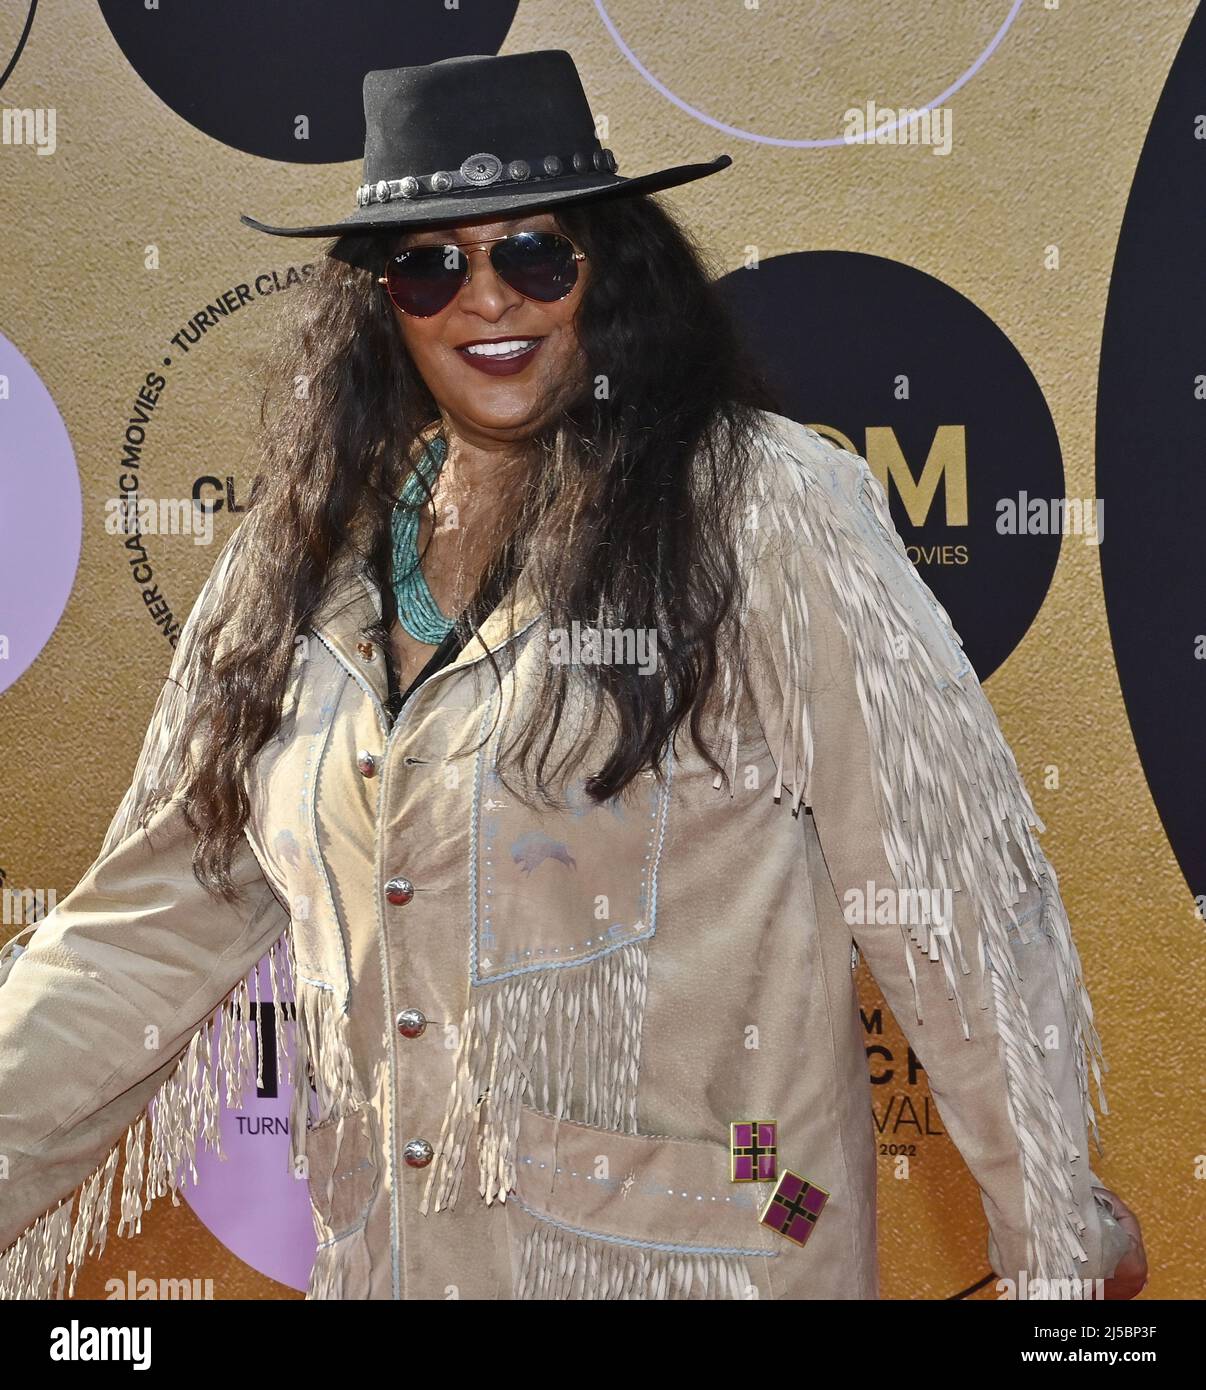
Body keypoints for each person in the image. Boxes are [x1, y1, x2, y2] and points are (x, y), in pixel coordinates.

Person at [0, 49, 1145, 1301]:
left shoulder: (761, 512)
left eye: (535, 253)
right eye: (431, 266)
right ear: (380, 302)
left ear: (614, 269)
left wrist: (1054, 1259)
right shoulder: (300, 560)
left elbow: (954, 904)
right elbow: (139, 938)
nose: (486, 299)